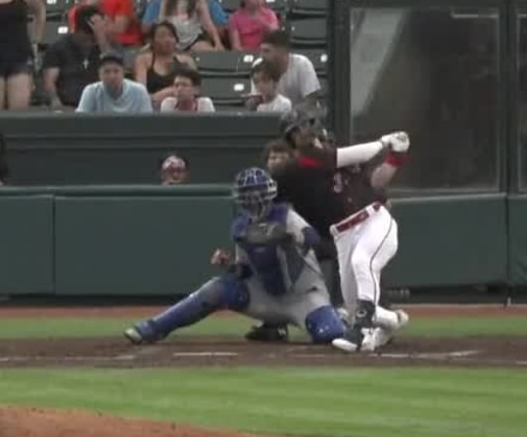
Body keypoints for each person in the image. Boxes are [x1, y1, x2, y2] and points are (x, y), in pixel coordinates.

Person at [123, 167, 348, 347]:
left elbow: (314, 240)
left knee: (331, 334)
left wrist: (290, 239)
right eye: (248, 195)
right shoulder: (241, 227)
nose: (253, 200)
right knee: (215, 289)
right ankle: (153, 328)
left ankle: (341, 317)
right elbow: (244, 271)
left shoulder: (286, 216)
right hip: (266, 298)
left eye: (256, 194)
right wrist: (228, 264)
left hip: (303, 296)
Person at [266, 105, 412, 352]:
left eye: (322, 136)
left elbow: (374, 181)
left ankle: (360, 331)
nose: (316, 137)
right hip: (341, 234)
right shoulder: (309, 159)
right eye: (301, 130)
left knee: (362, 261)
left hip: (373, 219)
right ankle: (391, 320)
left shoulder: (338, 158)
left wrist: (394, 158)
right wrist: (385, 142)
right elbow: (347, 156)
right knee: (354, 304)